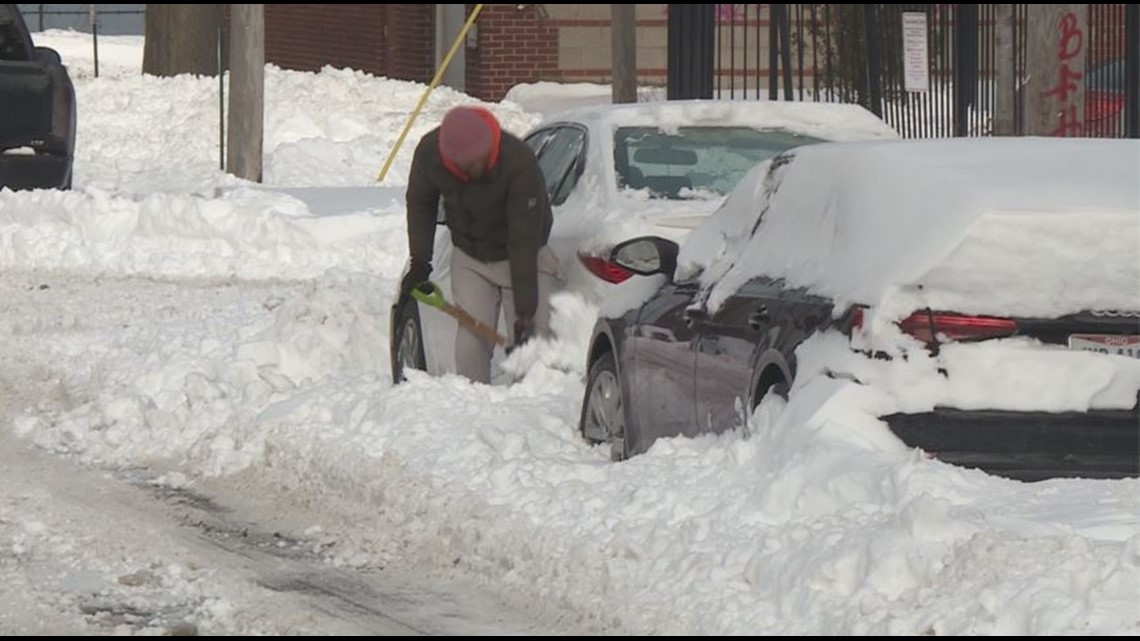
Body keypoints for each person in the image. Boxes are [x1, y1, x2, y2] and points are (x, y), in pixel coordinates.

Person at [400, 105, 557, 384]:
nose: (480, 168)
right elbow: (420, 203)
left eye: (483, 160)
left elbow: (523, 241)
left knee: (532, 344)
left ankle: (531, 408)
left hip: (523, 255)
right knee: (472, 338)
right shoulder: (430, 154)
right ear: (452, 161)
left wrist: (524, 312)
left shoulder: (518, 163)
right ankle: (474, 405)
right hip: (471, 256)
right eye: (471, 165)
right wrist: (420, 261)